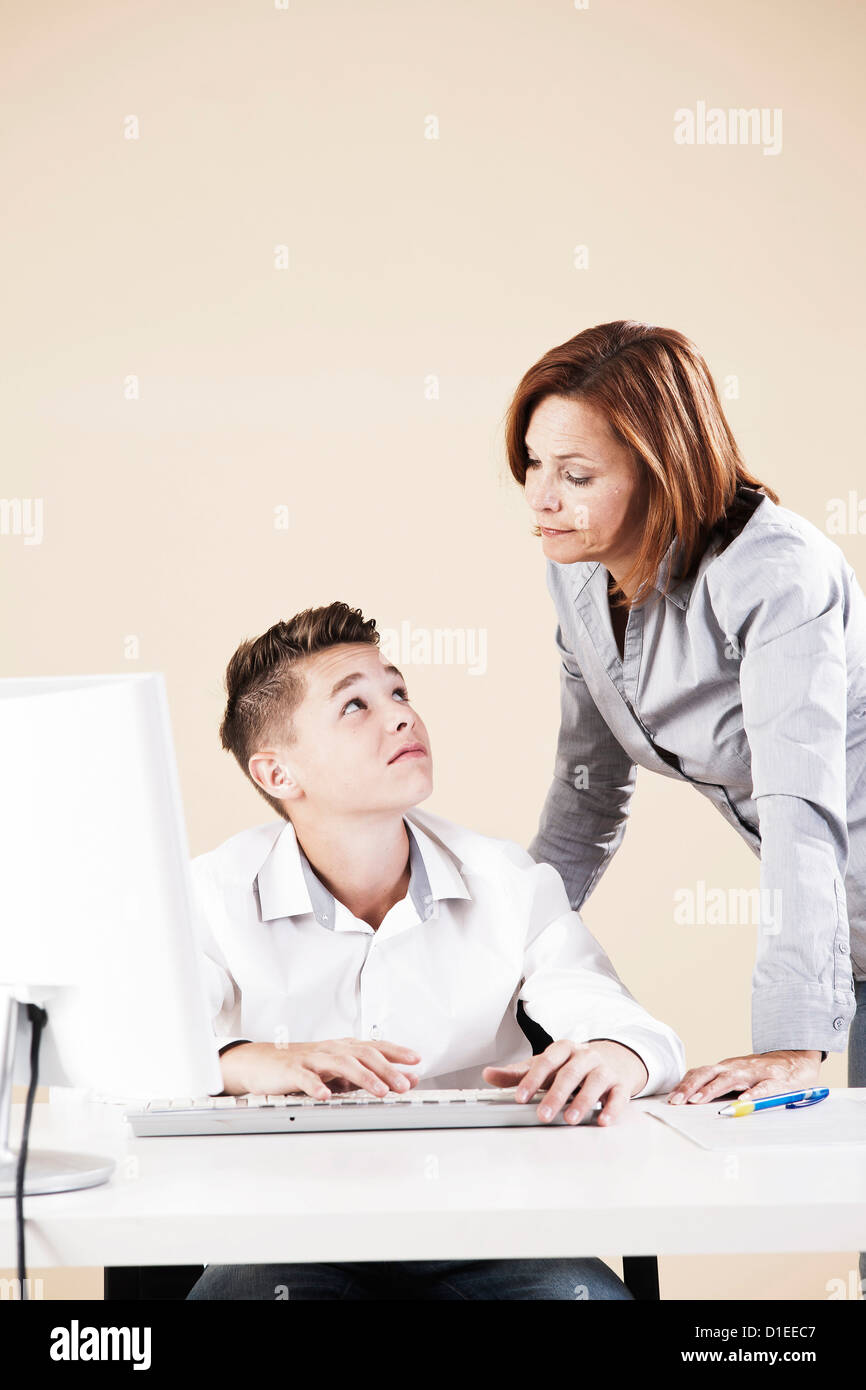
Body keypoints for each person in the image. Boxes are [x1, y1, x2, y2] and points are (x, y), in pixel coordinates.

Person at [185, 602, 685, 1301]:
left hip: (492, 1234)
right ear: (277, 775)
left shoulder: (507, 882)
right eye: (354, 706)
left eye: (397, 692)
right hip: (288, 1237)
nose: (399, 716)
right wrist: (249, 1061)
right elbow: (129, 1060)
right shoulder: (209, 894)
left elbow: (628, 1027)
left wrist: (614, 1055)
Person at [505, 318, 866, 1280]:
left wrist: (791, 1043)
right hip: (849, 939)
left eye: (577, 475)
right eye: (534, 463)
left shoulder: (775, 573)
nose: (542, 496)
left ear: (661, 472)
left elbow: (801, 806)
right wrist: (501, 953)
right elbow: (585, 795)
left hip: (832, 916)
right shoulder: (578, 575)